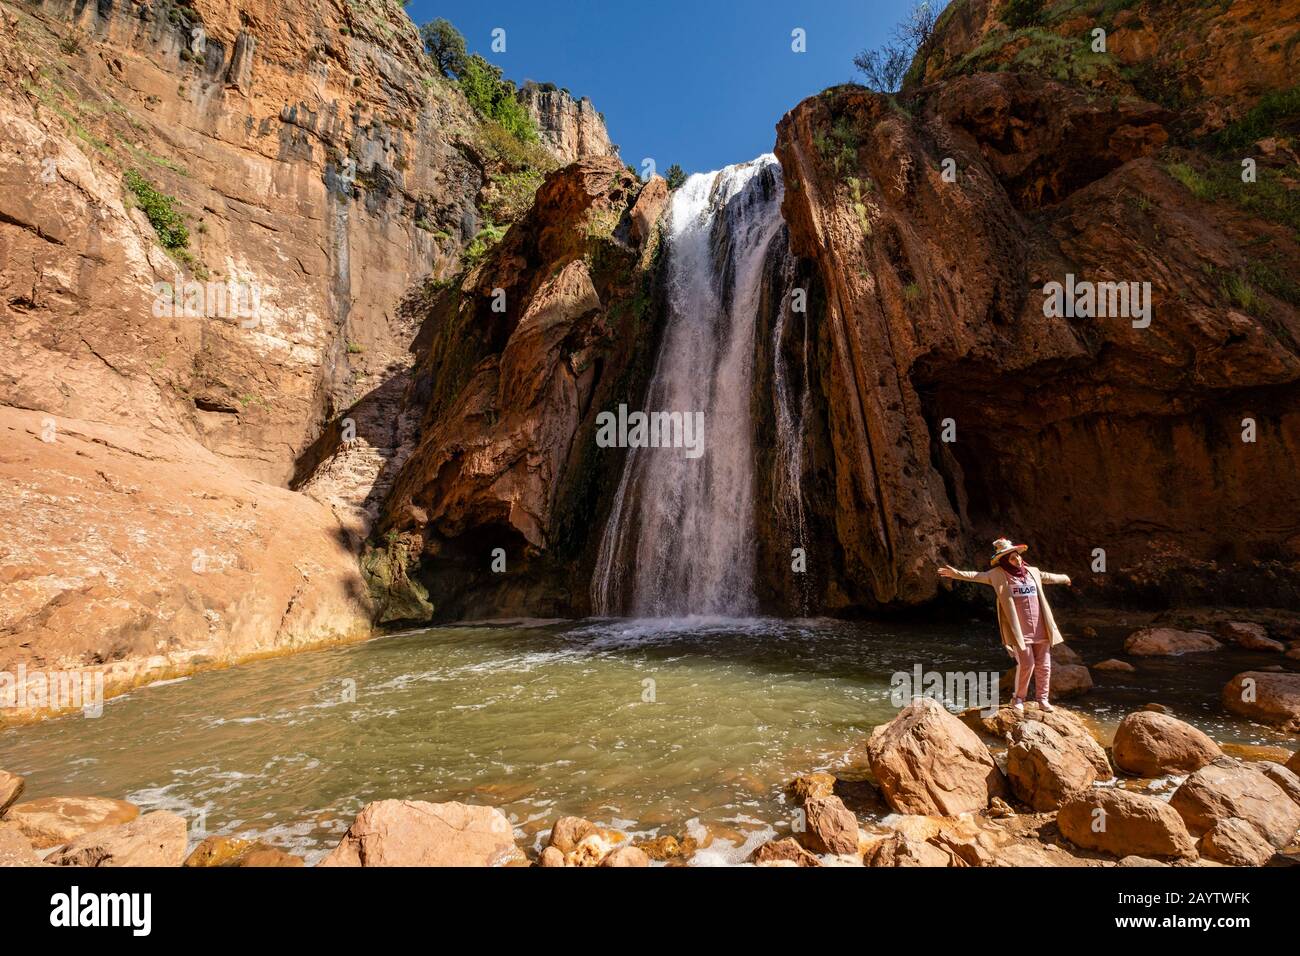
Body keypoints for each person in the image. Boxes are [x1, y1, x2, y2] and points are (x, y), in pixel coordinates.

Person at [938, 538, 1072, 713]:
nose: (1017, 560)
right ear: (1004, 561)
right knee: (1027, 664)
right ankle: (1018, 699)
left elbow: (1048, 577)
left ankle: (1043, 700)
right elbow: (977, 576)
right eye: (1012, 558)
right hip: (1019, 630)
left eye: (1017, 557)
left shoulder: (1032, 572)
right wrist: (956, 574)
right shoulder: (998, 574)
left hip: (1041, 626)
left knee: (1044, 665)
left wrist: (1065, 578)